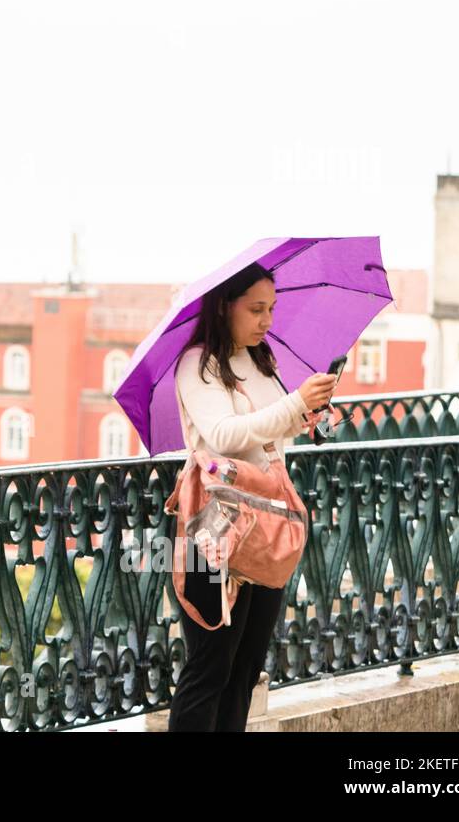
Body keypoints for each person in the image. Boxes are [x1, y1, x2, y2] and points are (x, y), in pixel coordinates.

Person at [166, 262, 338, 732]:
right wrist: (293, 405)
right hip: (210, 525)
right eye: (256, 309)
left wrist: (310, 417)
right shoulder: (198, 364)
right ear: (224, 307)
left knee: (245, 668)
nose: (267, 320)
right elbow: (221, 435)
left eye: (272, 309)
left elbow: (268, 444)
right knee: (211, 664)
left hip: (264, 521)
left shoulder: (265, 363)